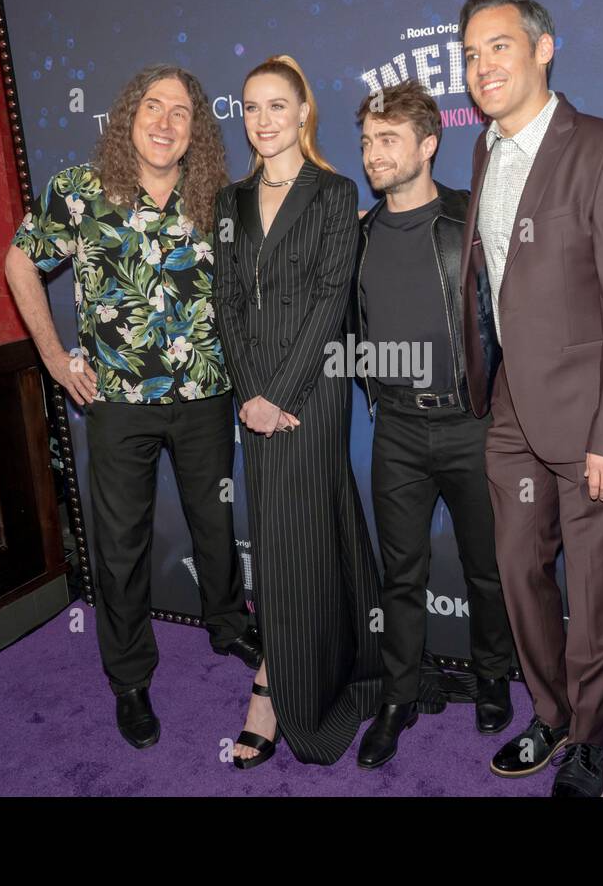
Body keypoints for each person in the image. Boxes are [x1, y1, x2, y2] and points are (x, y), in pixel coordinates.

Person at [5, 64, 262, 751]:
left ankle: (229, 625)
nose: (165, 122)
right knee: (119, 549)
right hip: (116, 402)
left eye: (181, 113)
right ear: (128, 114)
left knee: (216, 523)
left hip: (206, 395)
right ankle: (129, 680)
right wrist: (56, 359)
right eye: (154, 106)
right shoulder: (79, 192)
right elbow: (19, 261)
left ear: (195, 132)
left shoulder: (215, 199)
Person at [458, 0, 603, 797]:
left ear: (544, 48)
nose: (482, 67)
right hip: (511, 407)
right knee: (517, 571)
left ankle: (591, 737)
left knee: (594, 588)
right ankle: (549, 714)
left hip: (588, 421)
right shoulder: (483, 151)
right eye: (470, 55)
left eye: (499, 46)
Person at [212, 54, 382, 767]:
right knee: (296, 534)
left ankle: (274, 687)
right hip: (255, 396)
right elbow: (224, 301)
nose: (262, 120)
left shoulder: (336, 193)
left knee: (291, 543)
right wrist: (253, 396)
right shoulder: (227, 202)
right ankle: (338, 655)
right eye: (251, 107)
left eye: (276, 105)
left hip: (312, 390)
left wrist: (278, 395)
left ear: (303, 111)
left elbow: (328, 299)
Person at [350, 79, 515, 769]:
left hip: (471, 423)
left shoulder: (468, 221)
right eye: (366, 141)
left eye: (388, 140)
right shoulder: (355, 236)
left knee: (488, 569)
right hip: (397, 431)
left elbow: (513, 317)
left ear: (427, 143)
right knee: (401, 576)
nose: (373, 154)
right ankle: (399, 693)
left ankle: (493, 677)